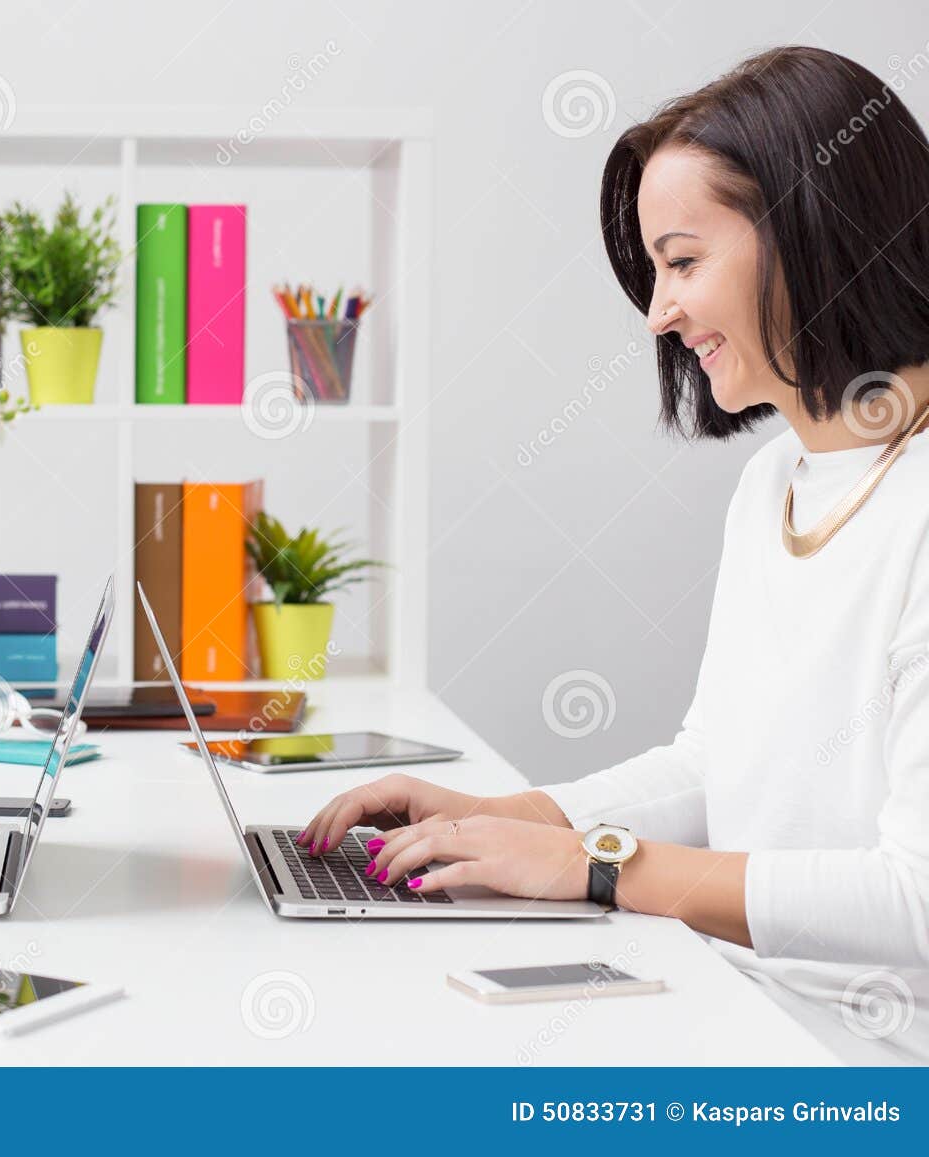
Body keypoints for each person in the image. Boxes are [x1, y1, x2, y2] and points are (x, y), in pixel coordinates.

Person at [298, 46, 929, 1064]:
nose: (658, 312)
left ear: (813, 232)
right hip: (741, 997)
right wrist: (502, 818)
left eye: (682, 261)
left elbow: (914, 898)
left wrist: (597, 864)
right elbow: (712, 763)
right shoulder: (773, 483)